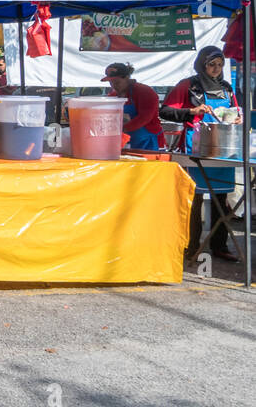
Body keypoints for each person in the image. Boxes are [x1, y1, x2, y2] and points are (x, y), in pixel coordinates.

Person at [160, 46, 240, 261]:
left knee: (221, 198)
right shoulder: (188, 85)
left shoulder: (227, 88)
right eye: (211, 64)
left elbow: (234, 112)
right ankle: (190, 245)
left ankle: (219, 246)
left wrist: (237, 118)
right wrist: (191, 111)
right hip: (194, 147)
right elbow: (165, 110)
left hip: (223, 148)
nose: (216, 69)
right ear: (202, 64)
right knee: (193, 198)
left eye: (219, 65)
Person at [102, 62, 164, 151]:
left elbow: (145, 117)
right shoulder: (113, 96)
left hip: (148, 141)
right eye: (111, 82)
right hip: (127, 141)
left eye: (117, 82)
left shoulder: (144, 91)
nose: (113, 85)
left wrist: (122, 130)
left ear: (127, 78)